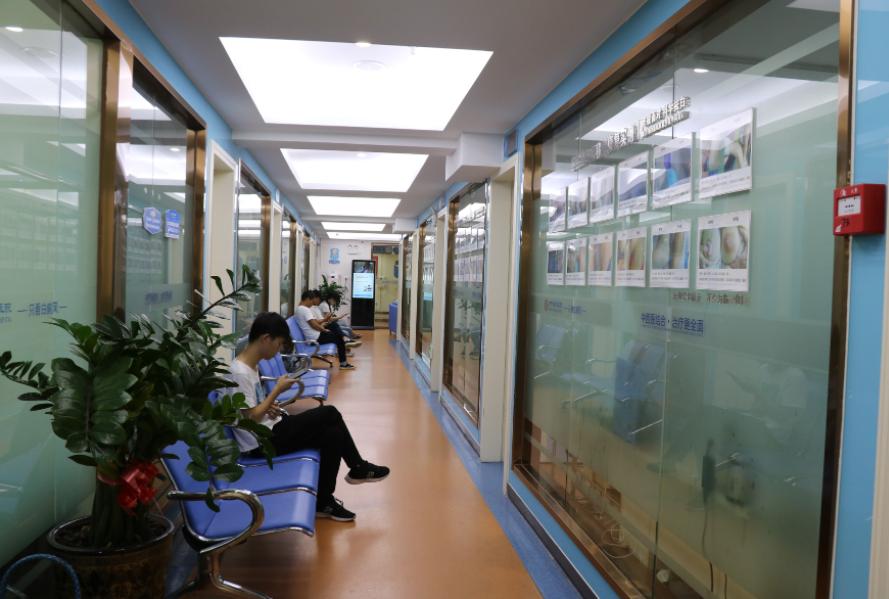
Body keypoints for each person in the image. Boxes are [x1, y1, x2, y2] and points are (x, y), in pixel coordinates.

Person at [229, 312, 389, 521]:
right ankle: (357, 467)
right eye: (278, 344)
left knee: (332, 435)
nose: (278, 350)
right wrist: (276, 391)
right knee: (330, 413)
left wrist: (269, 407)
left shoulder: (251, 366)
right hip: (262, 444)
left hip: (271, 429)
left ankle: (324, 501)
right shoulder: (240, 373)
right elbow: (250, 419)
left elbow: (251, 409)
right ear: (266, 339)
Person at [295, 290, 355, 370]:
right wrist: (323, 330)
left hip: (314, 336)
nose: (312, 304)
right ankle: (343, 363)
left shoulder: (300, 309)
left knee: (335, 331)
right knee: (339, 338)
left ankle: (345, 341)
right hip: (315, 338)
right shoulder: (305, 309)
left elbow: (315, 322)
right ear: (308, 299)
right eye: (312, 301)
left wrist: (324, 321)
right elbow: (314, 325)